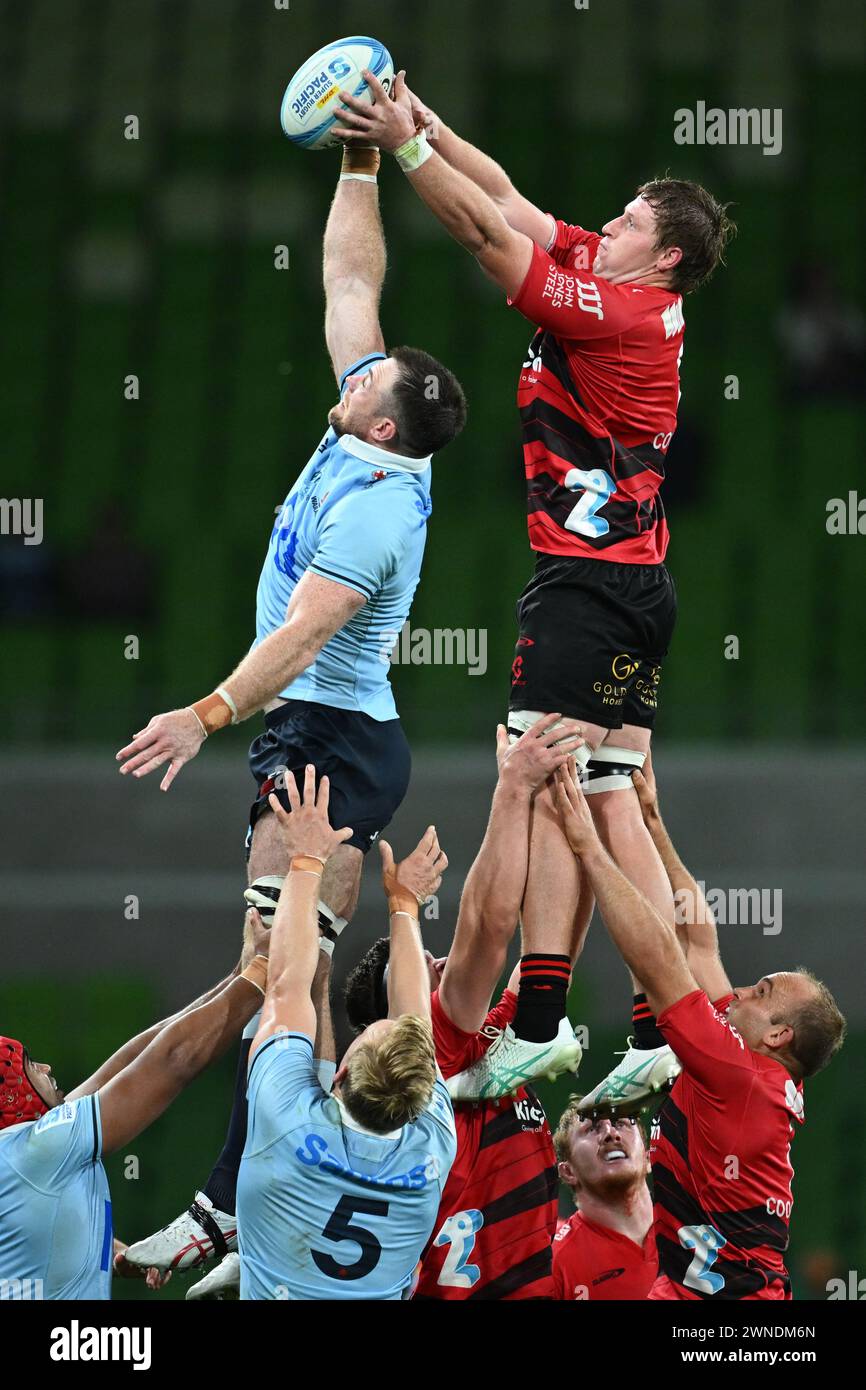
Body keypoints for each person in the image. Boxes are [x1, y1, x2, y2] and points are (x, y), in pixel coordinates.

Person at [333, 71, 735, 1109]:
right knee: (609, 796)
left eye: (627, 220)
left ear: (667, 257)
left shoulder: (628, 310)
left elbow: (484, 239)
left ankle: (543, 1020)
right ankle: (656, 1022)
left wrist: (402, 153)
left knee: (548, 784)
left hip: (586, 585)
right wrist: (425, 120)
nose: (604, 225)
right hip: (637, 585)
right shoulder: (616, 277)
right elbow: (506, 198)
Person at [116, 140, 467, 1272]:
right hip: (327, 732)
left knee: (277, 970)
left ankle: (227, 1205)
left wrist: (202, 714)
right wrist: (360, 165)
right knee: (276, 966)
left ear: (382, 427)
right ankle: (251, 1194)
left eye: (365, 380)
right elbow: (349, 283)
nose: (350, 371)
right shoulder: (360, 427)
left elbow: (304, 633)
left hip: (328, 738)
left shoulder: (374, 514)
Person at [554, 759, 846, 1299]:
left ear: (779, 1035)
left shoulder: (736, 1072)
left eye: (760, 992)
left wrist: (588, 847)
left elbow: (662, 959)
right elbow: (698, 943)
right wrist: (654, 825)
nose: (738, 992)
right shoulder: (751, 1067)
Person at [344, 716, 584, 1300]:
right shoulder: (430, 1053)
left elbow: (550, 955)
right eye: (430, 967)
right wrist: (512, 790)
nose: (446, 967)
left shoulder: (482, 1045)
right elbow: (488, 929)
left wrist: (577, 815)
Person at [233, 766, 456, 1300]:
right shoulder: (429, 1153)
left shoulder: (433, 1142)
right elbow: (410, 1020)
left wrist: (306, 858)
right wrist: (402, 905)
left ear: (340, 1076)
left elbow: (285, 980)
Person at [0, 920, 269, 1300]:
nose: (45, 1068)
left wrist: (239, 974)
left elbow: (132, 1058)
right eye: (30, 1065)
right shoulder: (35, 1152)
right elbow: (171, 1061)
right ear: (10, 1095)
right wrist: (265, 966)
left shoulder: (22, 1153)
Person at [551, 1106, 656, 1300]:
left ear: (648, 1158)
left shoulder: (695, 1232)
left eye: (620, 1123)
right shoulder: (553, 1265)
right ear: (568, 1172)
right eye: (592, 1129)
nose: (611, 1133)